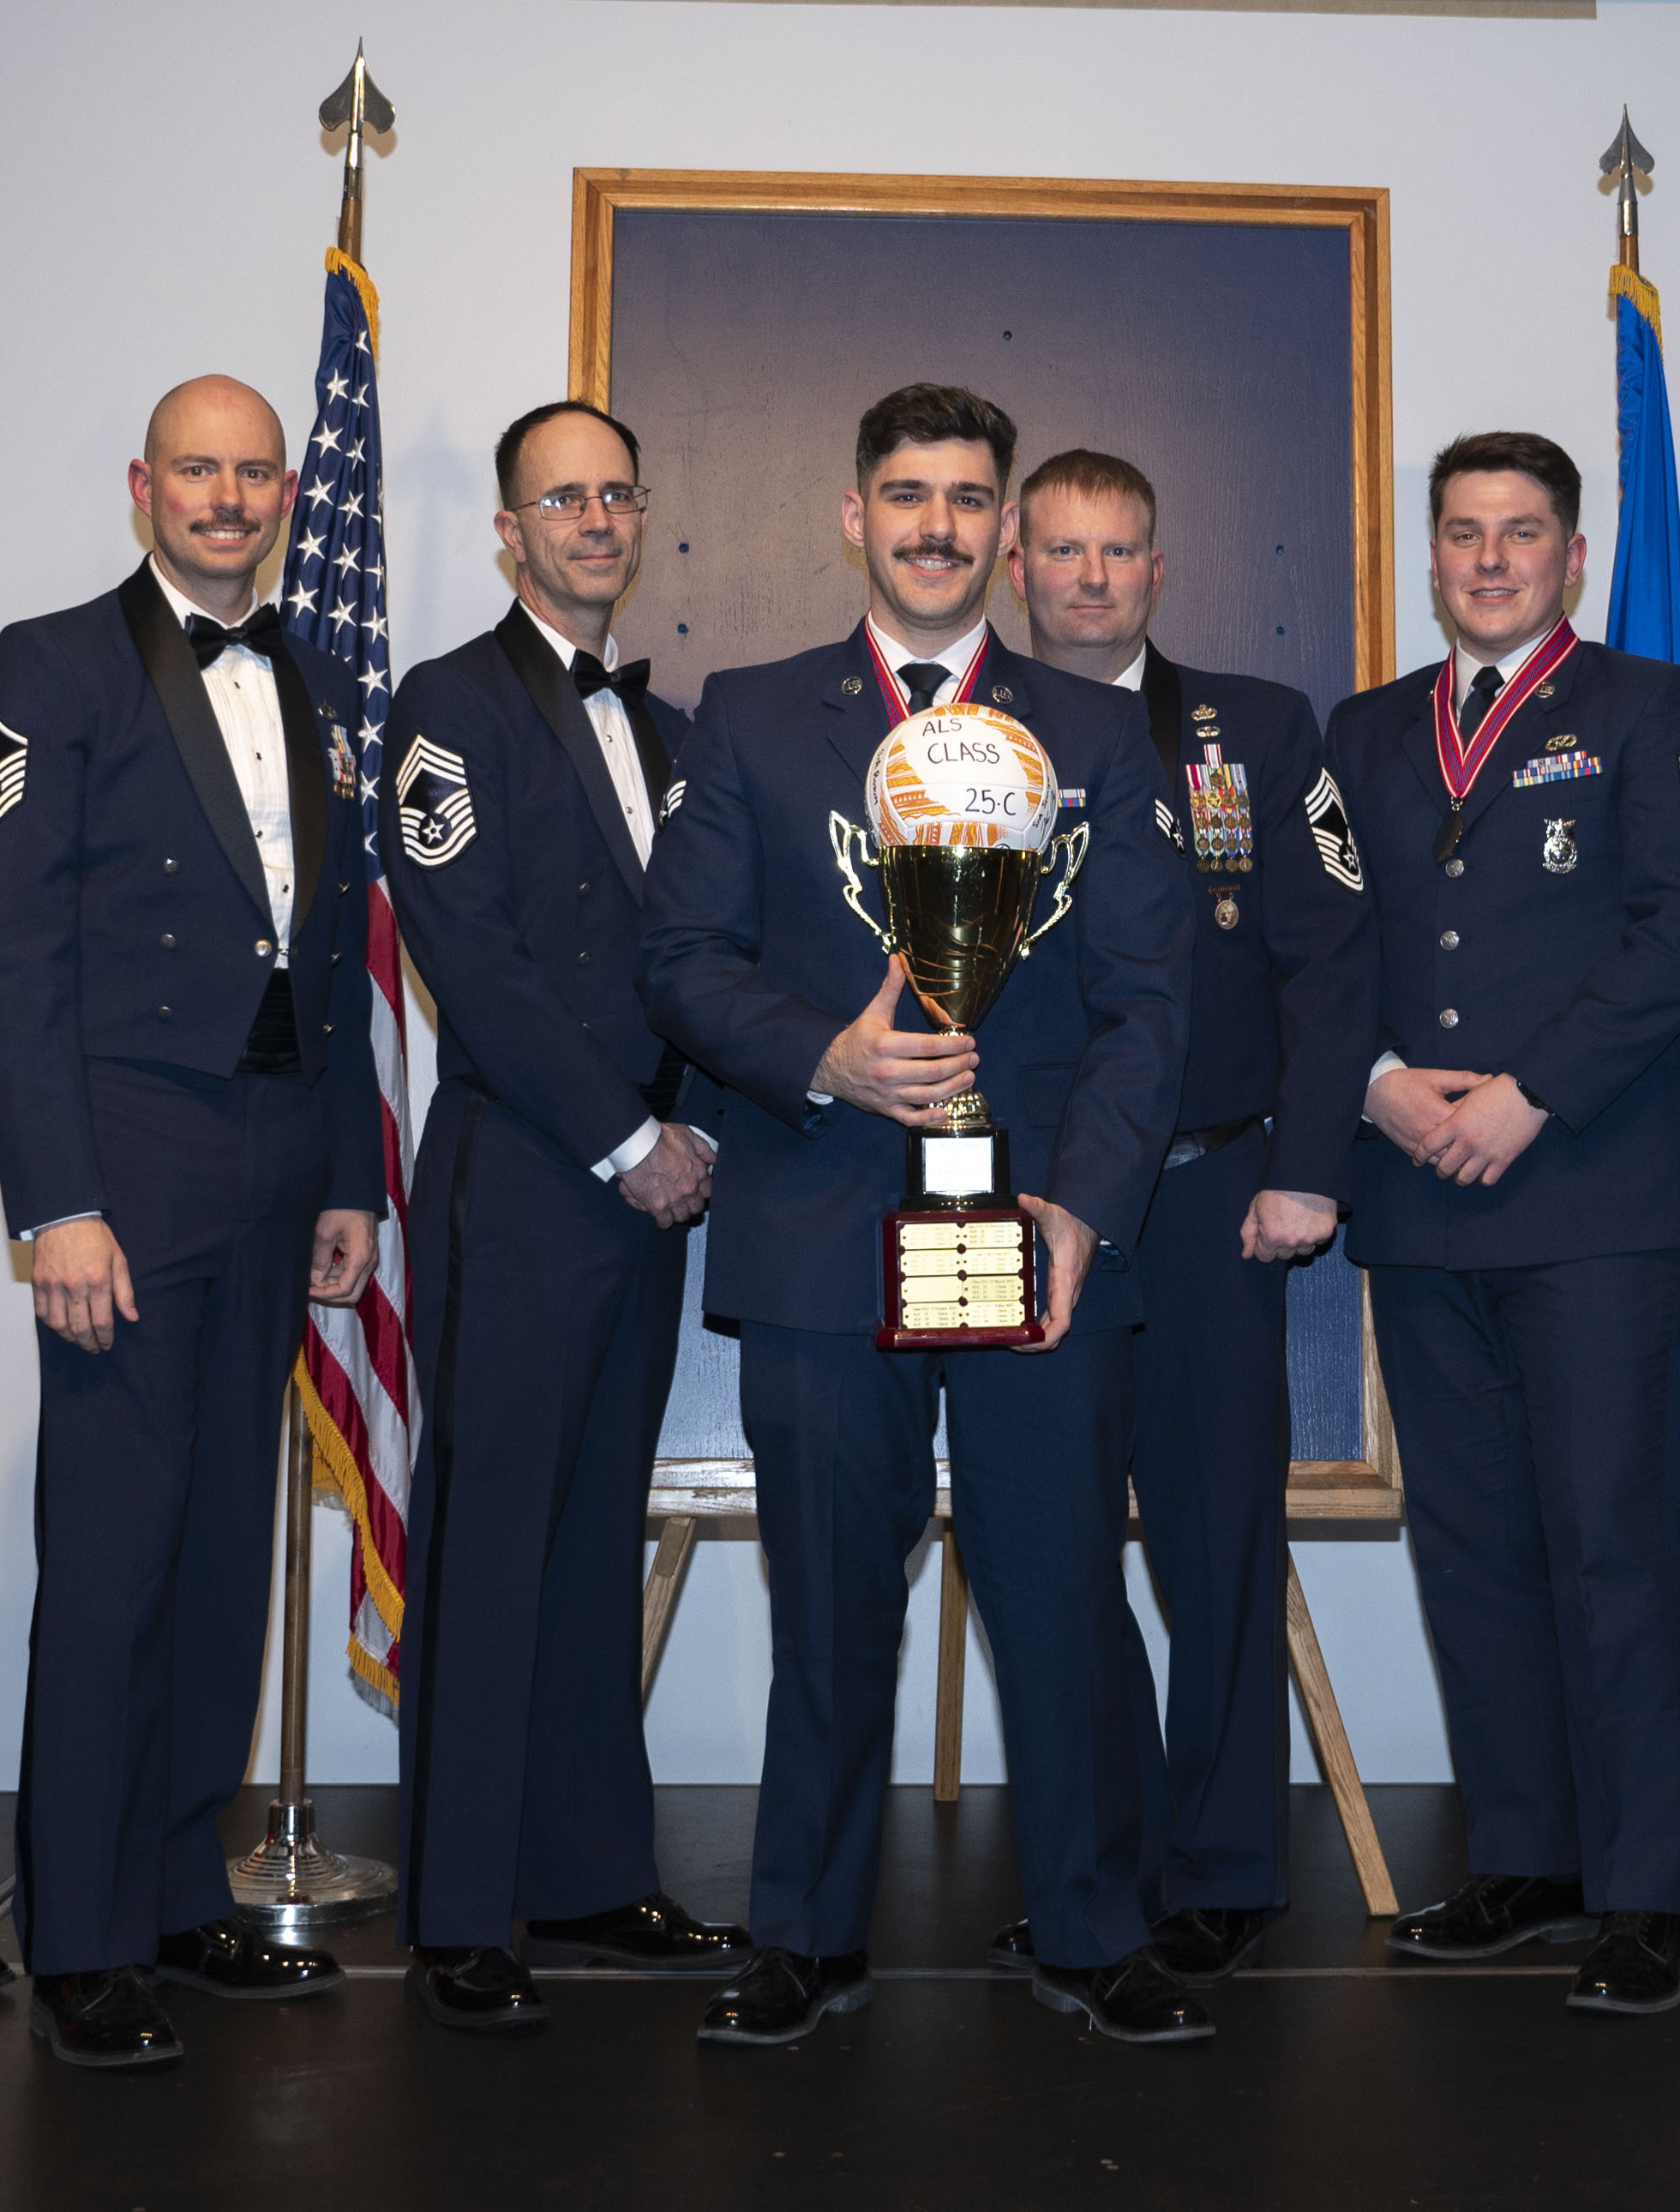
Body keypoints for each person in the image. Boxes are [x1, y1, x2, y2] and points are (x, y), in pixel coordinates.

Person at [640, 383, 1199, 2045]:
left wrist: (1090, 1207)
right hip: (822, 1221)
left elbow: (1151, 1002)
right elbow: (680, 963)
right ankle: (805, 1932)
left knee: (1062, 1596)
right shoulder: (748, 716)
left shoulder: (1097, 738)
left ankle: (1095, 1930)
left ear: (1007, 528)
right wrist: (823, 1054)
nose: (937, 525)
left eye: (968, 498)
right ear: (853, 515)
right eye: (906, 494)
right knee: (826, 1596)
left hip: (1031, 1236)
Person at [0, 376, 386, 2069]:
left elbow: (342, 956)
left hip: (282, 1155)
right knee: (118, 1552)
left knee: (225, 1549)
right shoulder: (47, 664)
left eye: (252, 472)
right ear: (144, 484)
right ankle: (78, 1937)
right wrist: (53, 1199)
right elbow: (19, 951)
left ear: (286, 490)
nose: (226, 496)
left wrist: (348, 1170)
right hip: (126, 1167)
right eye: (195, 470)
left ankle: (174, 1895)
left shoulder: (314, 673)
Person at [1325, 431, 1680, 2017]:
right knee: (1475, 1546)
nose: (1489, 559)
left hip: (1583, 1192)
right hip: (1416, 1191)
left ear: (1569, 554)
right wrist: (1375, 1088)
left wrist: (1528, 1093)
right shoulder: (1363, 731)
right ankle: (1523, 1859)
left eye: (1521, 533)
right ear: (1429, 558)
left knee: (1610, 1548)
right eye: (1461, 534)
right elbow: (1320, 937)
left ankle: (1641, 1892)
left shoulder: (1648, 710)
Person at [378, 399, 751, 2034]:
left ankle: (593, 1872)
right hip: (529, 1184)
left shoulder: (672, 732)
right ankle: (463, 1903)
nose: (593, 520)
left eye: (615, 491)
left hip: (647, 1190)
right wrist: (624, 1141)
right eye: (561, 499)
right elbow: (475, 961)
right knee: (489, 1540)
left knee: (598, 1531)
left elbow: (707, 964)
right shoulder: (445, 710)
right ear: (509, 533)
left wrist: (712, 1131)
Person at [997, 448, 1374, 1983]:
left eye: (1120, 552)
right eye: (1065, 551)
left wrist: (1310, 1162)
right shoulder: (960, 734)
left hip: (1217, 1192)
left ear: (1158, 568)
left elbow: (1333, 959)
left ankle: (1221, 1861)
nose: (1090, 577)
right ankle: (1100, 1856)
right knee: (1052, 1552)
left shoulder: (1260, 733)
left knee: (1219, 1537)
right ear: (1019, 565)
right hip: (1038, 1202)